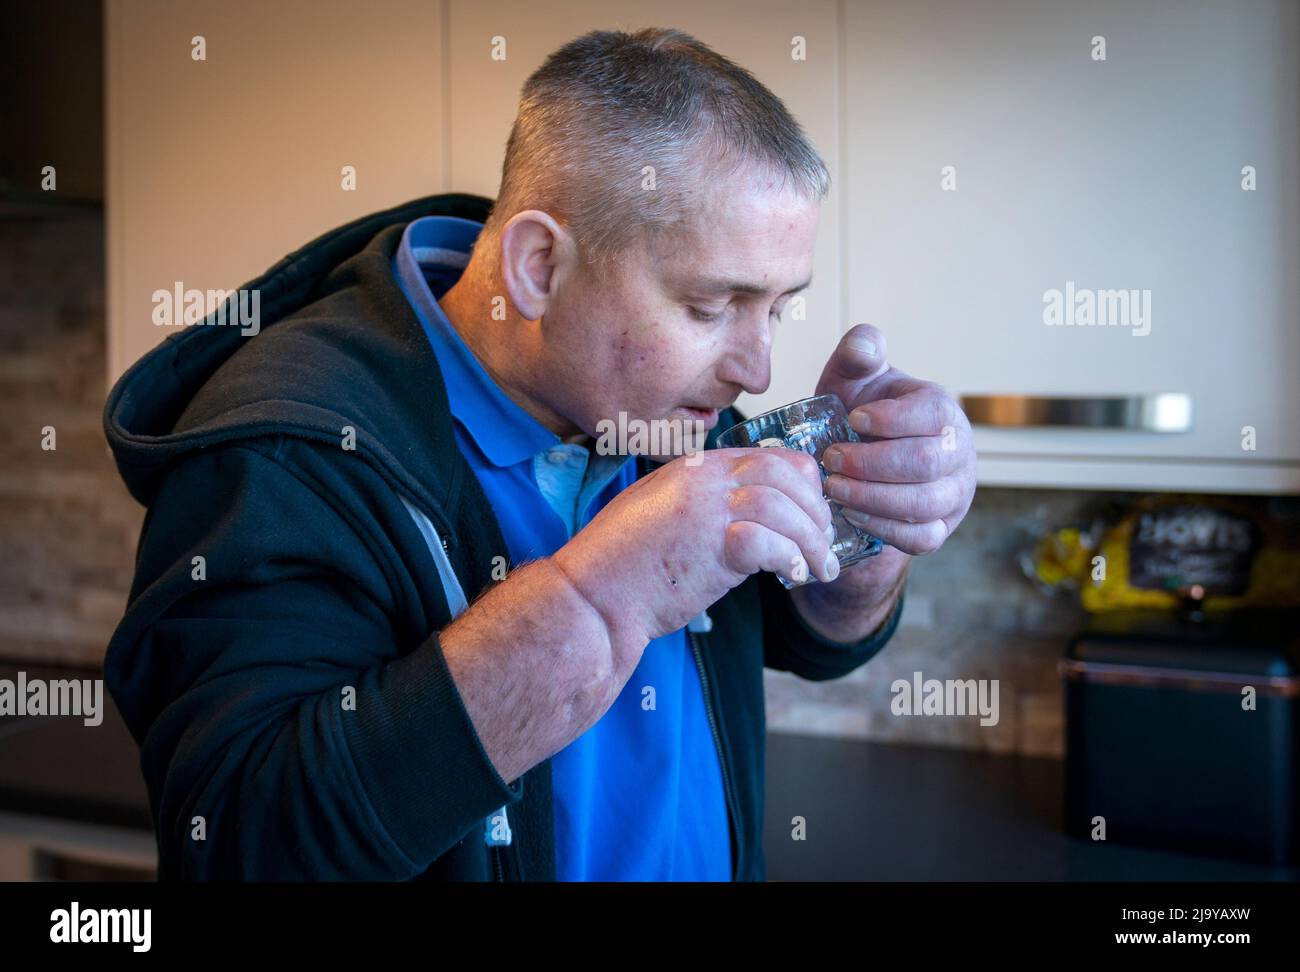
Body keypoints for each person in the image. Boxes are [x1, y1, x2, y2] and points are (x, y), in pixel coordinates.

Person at [103, 27, 976, 881]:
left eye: (777, 308)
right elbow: (246, 841)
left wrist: (867, 541)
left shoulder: (664, 397)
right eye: (713, 308)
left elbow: (809, 640)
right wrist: (603, 599)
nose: (756, 369)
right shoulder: (286, 455)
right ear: (537, 266)